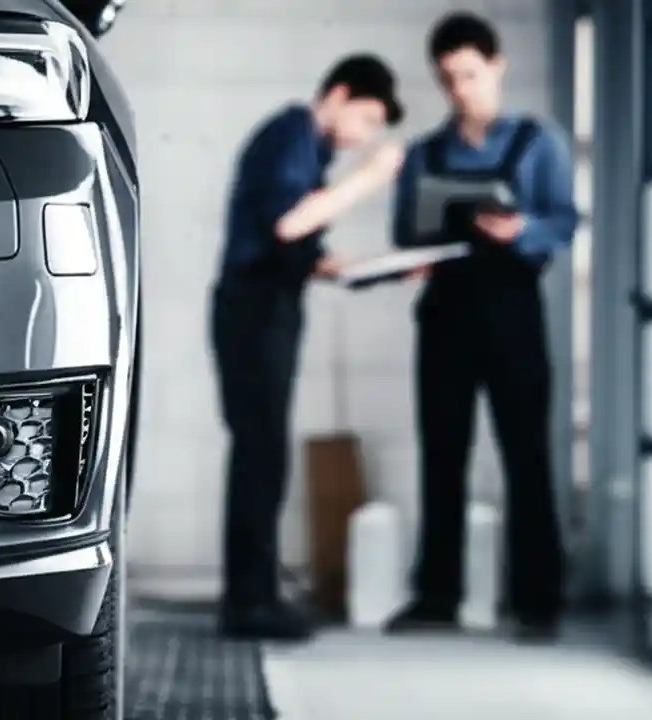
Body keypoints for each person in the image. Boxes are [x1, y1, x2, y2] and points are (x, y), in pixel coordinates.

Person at [386, 13, 578, 640]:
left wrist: (522, 231)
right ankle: (437, 597)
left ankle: (537, 600)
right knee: (442, 456)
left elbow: (565, 221)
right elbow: (403, 234)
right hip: (444, 314)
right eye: (448, 78)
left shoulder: (537, 143)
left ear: (496, 65)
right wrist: (413, 259)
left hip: (513, 311)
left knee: (526, 457)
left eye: (469, 74)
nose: (460, 88)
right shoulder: (424, 154)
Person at [213, 55, 405, 641]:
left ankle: (255, 595)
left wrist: (366, 269)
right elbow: (288, 227)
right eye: (367, 119)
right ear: (340, 94)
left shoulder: (308, 147)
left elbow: (293, 242)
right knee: (260, 451)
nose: (365, 136)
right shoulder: (293, 132)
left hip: (268, 307)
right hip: (254, 311)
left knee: (263, 452)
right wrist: (368, 180)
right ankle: (249, 603)